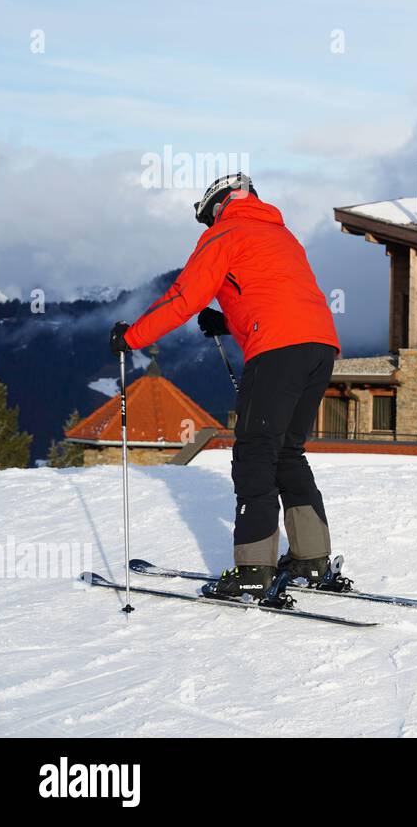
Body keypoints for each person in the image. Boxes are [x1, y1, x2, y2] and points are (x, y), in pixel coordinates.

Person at [109, 173, 342, 601]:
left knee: (255, 451)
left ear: (217, 207)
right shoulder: (282, 235)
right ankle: (311, 558)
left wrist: (132, 337)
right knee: (287, 451)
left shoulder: (226, 233)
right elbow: (273, 296)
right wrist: (228, 320)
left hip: (277, 349)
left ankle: (254, 569)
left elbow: (184, 298)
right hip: (320, 346)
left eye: (206, 218)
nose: (207, 226)